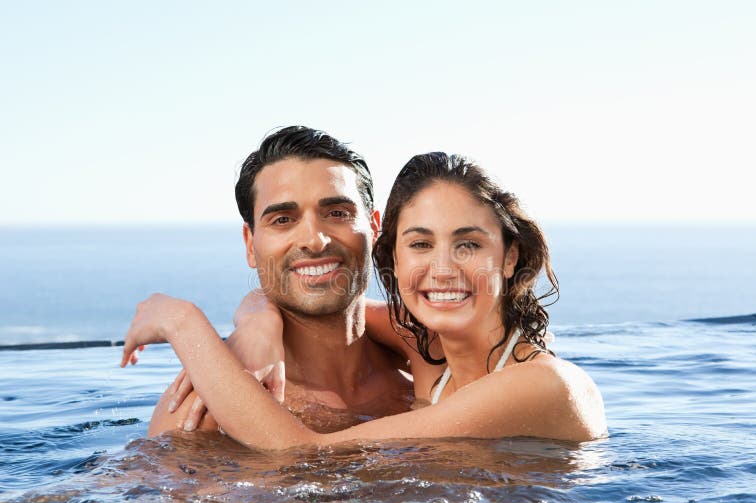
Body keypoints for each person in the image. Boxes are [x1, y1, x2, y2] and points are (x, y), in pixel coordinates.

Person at [125, 151, 607, 449]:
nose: (442, 270)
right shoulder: (424, 343)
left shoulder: (541, 384)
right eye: (420, 244)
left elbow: (299, 450)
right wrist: (256, 320)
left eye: (468, 244)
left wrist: (183, 321)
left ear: (509, 256)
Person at [145, 125, 413, 436]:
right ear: (250, 244)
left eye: (338, 213)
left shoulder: (430, 366)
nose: (314, 240)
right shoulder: (205, 410)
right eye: (283, 220)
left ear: (375, 229)